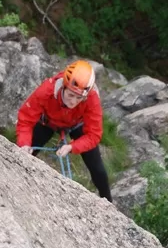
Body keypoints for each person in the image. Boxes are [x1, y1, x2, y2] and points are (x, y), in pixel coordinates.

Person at [16, 60, 112, 202]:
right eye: (70, 95)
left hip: (77, 123)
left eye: (79, 98)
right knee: (25, 154)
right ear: (63, 87)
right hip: (48, 121)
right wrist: (23, 144)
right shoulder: (47, 90)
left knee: (98, 170)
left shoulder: (91, 98)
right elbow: (26, 120)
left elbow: (94, 135)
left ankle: (109, 203)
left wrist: (72, 147)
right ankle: (16, 186)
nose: (73, 101)